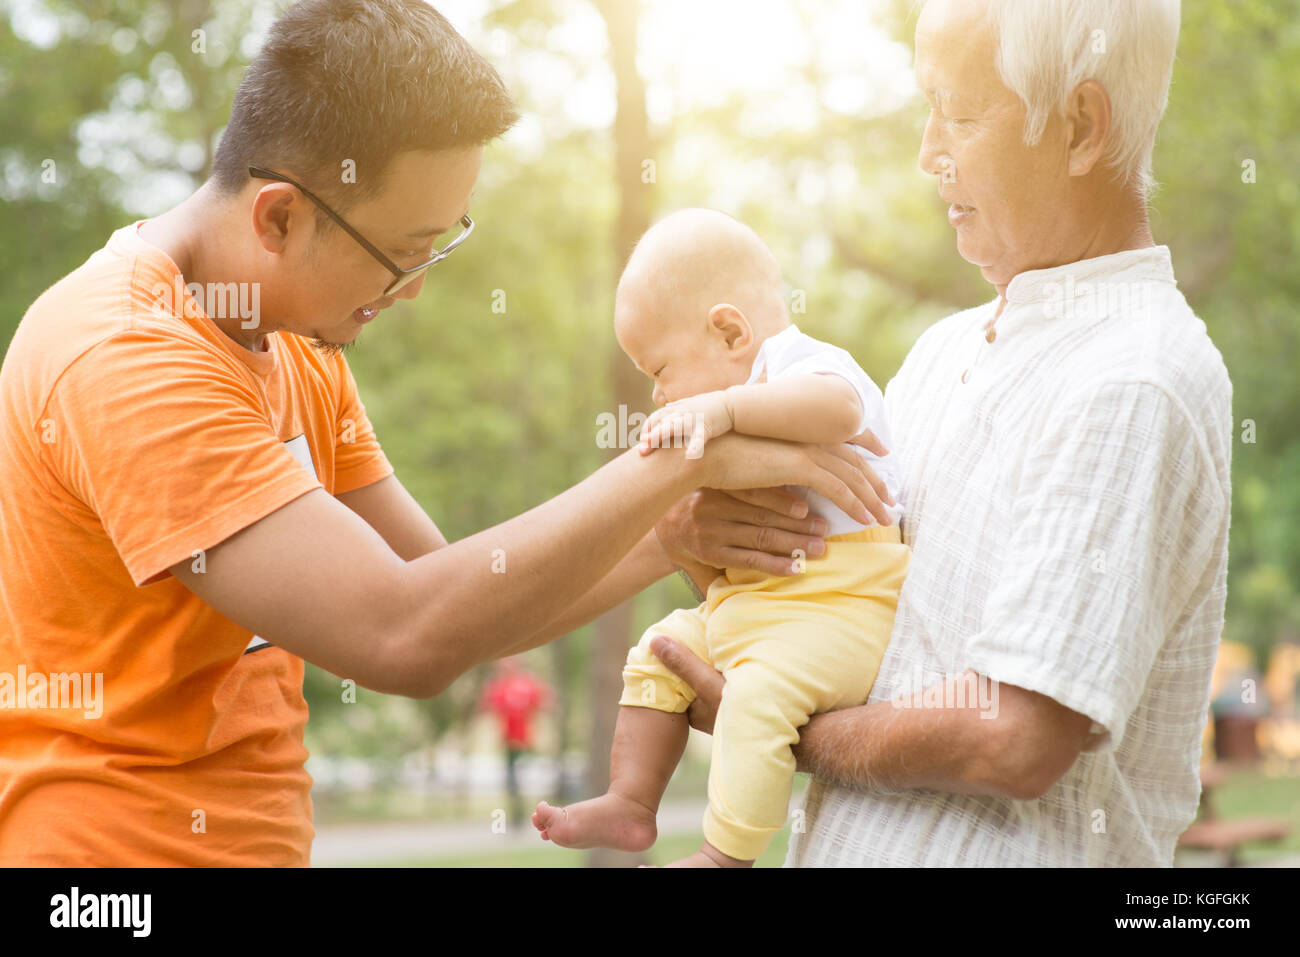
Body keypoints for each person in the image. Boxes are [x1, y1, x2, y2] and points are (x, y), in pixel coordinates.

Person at [0, 0, 888, 866]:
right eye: (406, 249)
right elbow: (401, 636)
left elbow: (461, 602)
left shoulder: (298, 348)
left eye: (441, 244)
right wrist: (680, 455)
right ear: (278, 216)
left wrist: (672, 532)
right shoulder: (125, 358)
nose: (416, 286)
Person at [651, 0, 1232, 866]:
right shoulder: (940, 354)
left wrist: (769, 721)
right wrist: (699, 535)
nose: (929, 153)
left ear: (1079, 125)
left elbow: (1015, 737)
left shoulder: (1132, 378)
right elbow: (846, 595)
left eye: (958, 113)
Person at [532, 210, 909, 867]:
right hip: (763, 605)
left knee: (756, 699)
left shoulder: (805, 364)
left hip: (840, 606)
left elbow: (840, 408)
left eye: (661, 369)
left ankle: (725, 855)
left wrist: (725, 410)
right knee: (659, 648)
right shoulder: (739, 409)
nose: (657, 395)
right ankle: (631, 799)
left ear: (730, 329)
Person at [481, 657, 551, 829]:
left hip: (525, 741)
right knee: (512, 782)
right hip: (508, 742)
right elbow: (489, 708)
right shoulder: (498, 687)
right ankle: (517, 817)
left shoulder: (527, 684)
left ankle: (533, 815)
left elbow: (543, 703)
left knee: (526, 780)